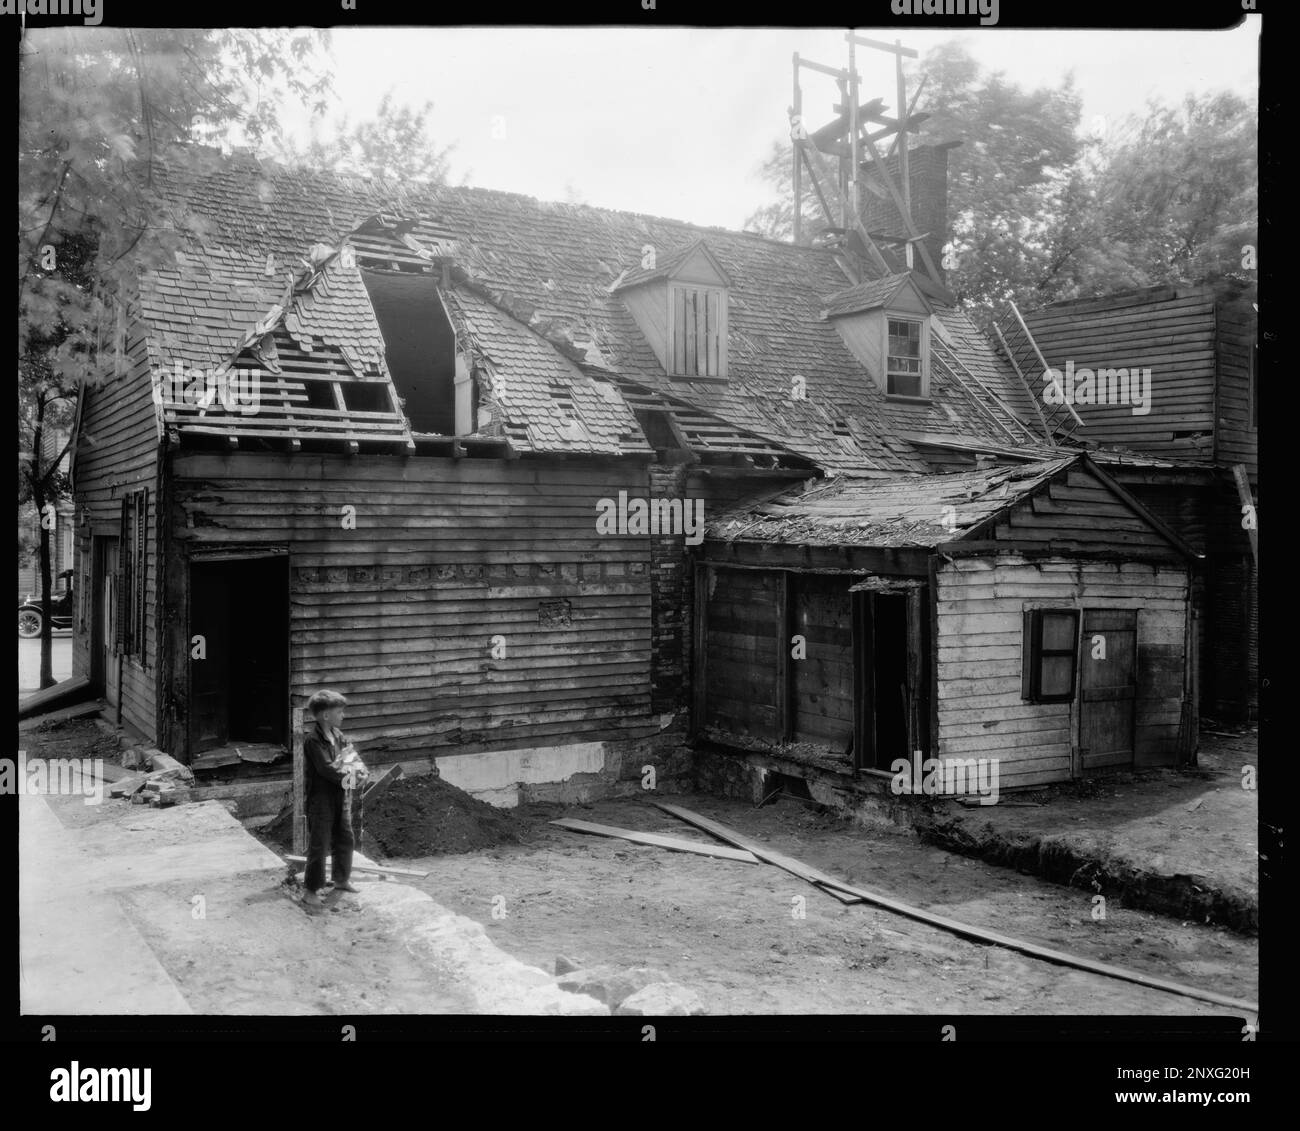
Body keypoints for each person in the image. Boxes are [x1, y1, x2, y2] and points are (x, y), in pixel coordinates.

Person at [301, 689, 361, 907]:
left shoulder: (339, 736)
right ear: (326, 715)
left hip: (340, 796)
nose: (343, 715)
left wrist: (359, 770)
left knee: (345, 837)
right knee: (320, 843)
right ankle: (310, 890)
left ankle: (341, 879)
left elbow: (351, 758)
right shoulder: (313, 741)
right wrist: (351, 778)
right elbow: (327, 769)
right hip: (321, 800)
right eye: (339, 712)